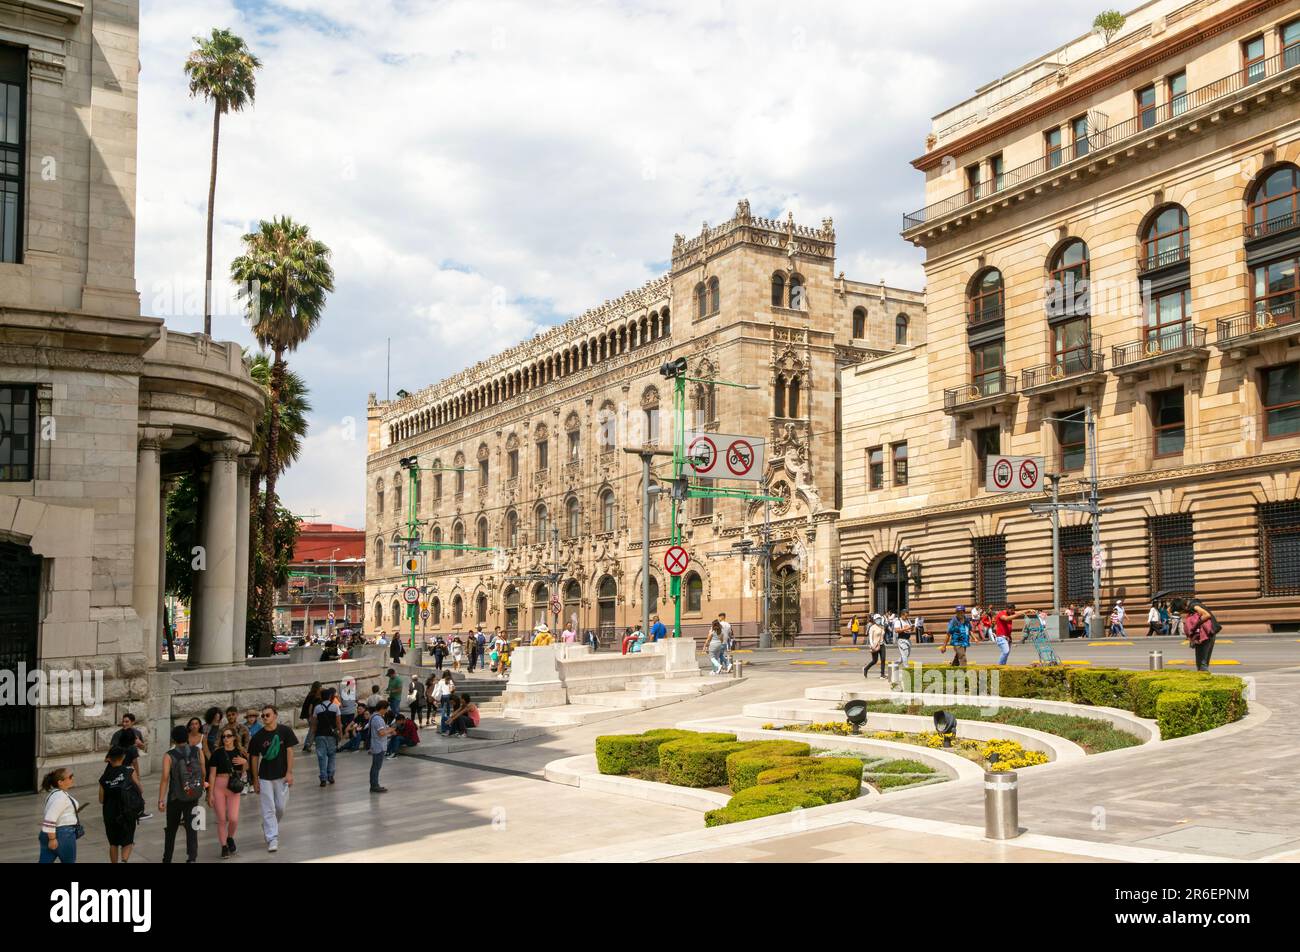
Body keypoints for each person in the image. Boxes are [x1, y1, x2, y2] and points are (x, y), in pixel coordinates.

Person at [248, 705, 298, 853]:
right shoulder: (258, 737)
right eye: (262, 716)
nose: (264, 718)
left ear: (275, 715)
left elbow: (290, 752)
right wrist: (255, 780)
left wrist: (289, 772)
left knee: (280, 807)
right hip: (265, 777)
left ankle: (268, 825)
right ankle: (272, 838)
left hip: (282, 776)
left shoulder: (285, 731)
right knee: (268, 807)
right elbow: (254, 759)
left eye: (267, 715)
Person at [159, 724, 203, 864]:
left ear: (173, 739)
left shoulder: (169, 755)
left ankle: (167, 858)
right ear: (187, 736)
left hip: (175, 797)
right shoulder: (197, 751)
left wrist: (161, 799)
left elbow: (165, 777)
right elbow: (203, 772)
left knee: (171, 829)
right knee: (192, 828)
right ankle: (192, 858)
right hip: (192, 795)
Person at [206, 725, 248, 859]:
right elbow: (211, 775)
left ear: (234, 738)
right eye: (223, 736)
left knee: (234, 818)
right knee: (222, 819)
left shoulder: (239, 752)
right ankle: (224, 846)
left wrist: (245, 762)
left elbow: (246, 772)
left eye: (229, 736)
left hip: (233, 786)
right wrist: (210, 793)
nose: (226, 739)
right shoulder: (217, 753)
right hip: (218, 785)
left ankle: (230, 837)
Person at [99, 747, 141, 863]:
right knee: (127, 841)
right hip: (127, 812)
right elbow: (139, 789)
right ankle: (124, 861)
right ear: (123, 757)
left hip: (110, 813)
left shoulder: (104, 777)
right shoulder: (129, 772)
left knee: (113, 843)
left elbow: (101, 799)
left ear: (110, 759)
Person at [39, 767, 81, 864]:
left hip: (48, 834)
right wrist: (52, 839)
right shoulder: (61, 797)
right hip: (63, 835)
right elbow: (50, 818)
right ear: (60, 782)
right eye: (70, 777)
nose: (72, 779)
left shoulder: (54, 794)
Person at [311, 687, 342, 787]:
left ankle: (323, 778)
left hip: (320, 734)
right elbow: (338, 722)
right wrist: (340, 733)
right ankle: (331, 776)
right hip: (331, 735)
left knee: (321, 757)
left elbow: (314, 723)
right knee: (331, 755)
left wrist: (313, 734)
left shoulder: (317, 708)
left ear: (321, 697)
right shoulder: (335, 707)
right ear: (330, 696)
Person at [1179, 596, 1220, 671]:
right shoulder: (1198, 605)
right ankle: (1205, 677)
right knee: (1204, 662)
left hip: (1204, 636)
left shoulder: (1193, 606)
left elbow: (1207, 615)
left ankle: (1204, 680)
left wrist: (1195, 625)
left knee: (1201, 663)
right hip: (1210, 634)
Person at [368, 699, 397, 793]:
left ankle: (374, 785)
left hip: (377, 745)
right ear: (382, 709)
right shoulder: (378, 718)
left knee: (375, 766)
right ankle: (374, 786)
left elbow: (382, 731)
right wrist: (391, 730)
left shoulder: (374, 716)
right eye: (386, 709)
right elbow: (381, 733)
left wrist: (389, 731)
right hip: (378, 746)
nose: (387, 711)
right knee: (376, 767)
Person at [299, 682, 323, 753]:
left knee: (312, 730)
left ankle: (309, 744)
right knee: (312, 730)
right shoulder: (314, 696)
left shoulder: (311, 694)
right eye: (320, 687)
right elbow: (311, 707)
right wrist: (311, 716)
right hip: (311, 715)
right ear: (317, 688)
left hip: (310, 715)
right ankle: (307, 744)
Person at [432, 669, 456, 735]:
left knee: (443, 709)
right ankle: (448, 722)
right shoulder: (450, 680)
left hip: (443, 696)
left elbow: (439, 690)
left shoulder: (441, 681)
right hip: (449, 696)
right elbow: (453, 688)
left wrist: (437, 698)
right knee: (448, 710)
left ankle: (443, 720)